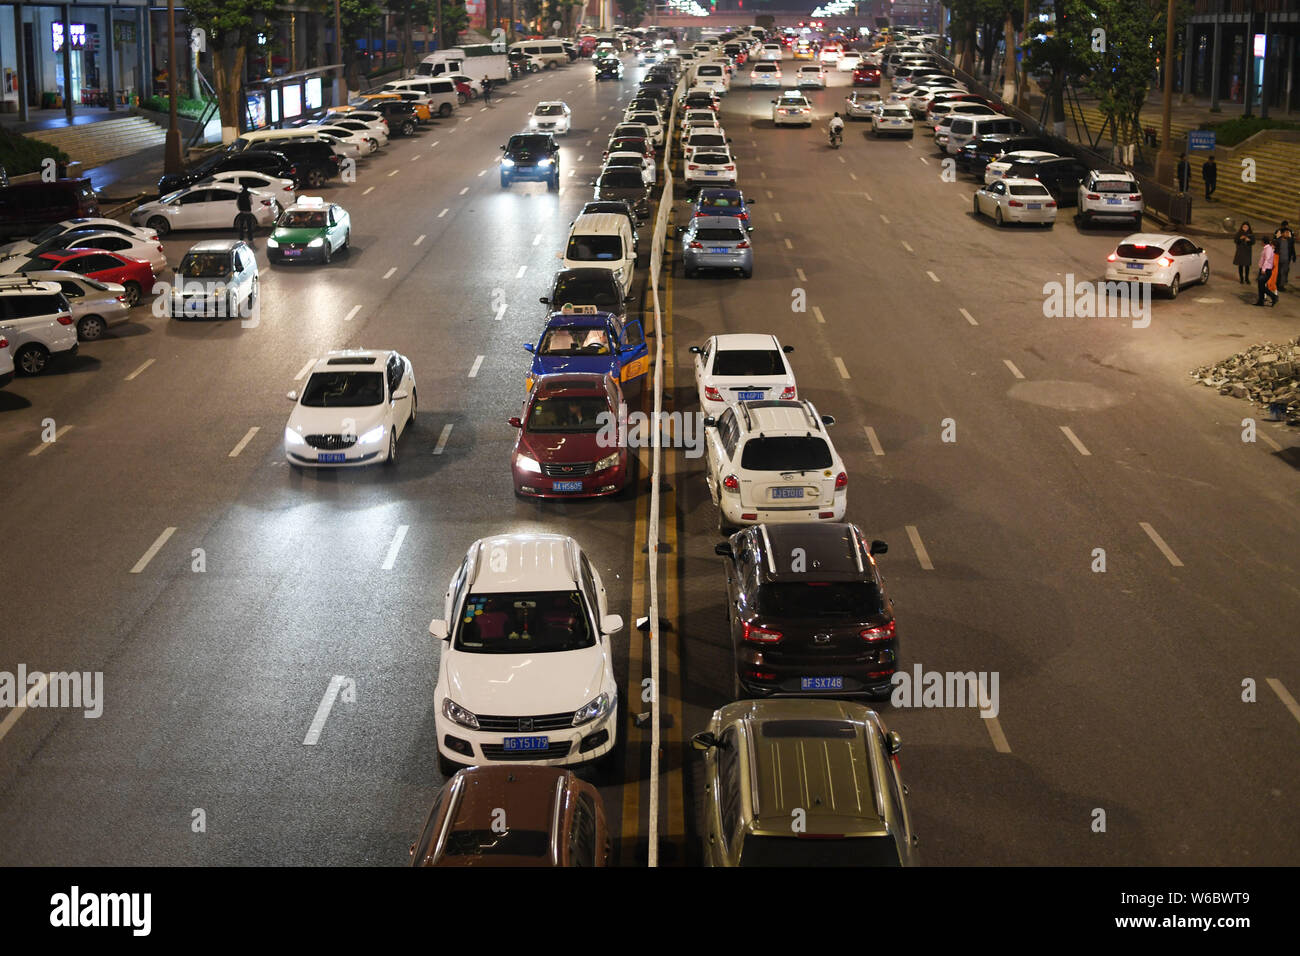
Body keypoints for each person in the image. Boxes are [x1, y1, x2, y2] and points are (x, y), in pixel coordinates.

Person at [1254, 237, 1278, 306]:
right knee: (1260, 286)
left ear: (1263, 242)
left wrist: (1263, 269)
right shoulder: (1267, 248)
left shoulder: (1268, 249)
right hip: (1264, 269)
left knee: (1261, 286)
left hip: (1266, 270)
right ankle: (1261, 301)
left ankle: (1274, 296)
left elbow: (1267, 259)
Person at [1273, 221, 1295, 291]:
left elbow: (1292, 249)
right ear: (1282, 234)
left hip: (1286, 260)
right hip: (1278, 259)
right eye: (1286, 233)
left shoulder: (1290, 241)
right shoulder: (1278, 241)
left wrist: (1293, 256)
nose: (1287, 234)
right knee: (1278, 272)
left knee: (1284, 272)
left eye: (1288, 233)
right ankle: (1277, 284)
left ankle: (1281, 285)